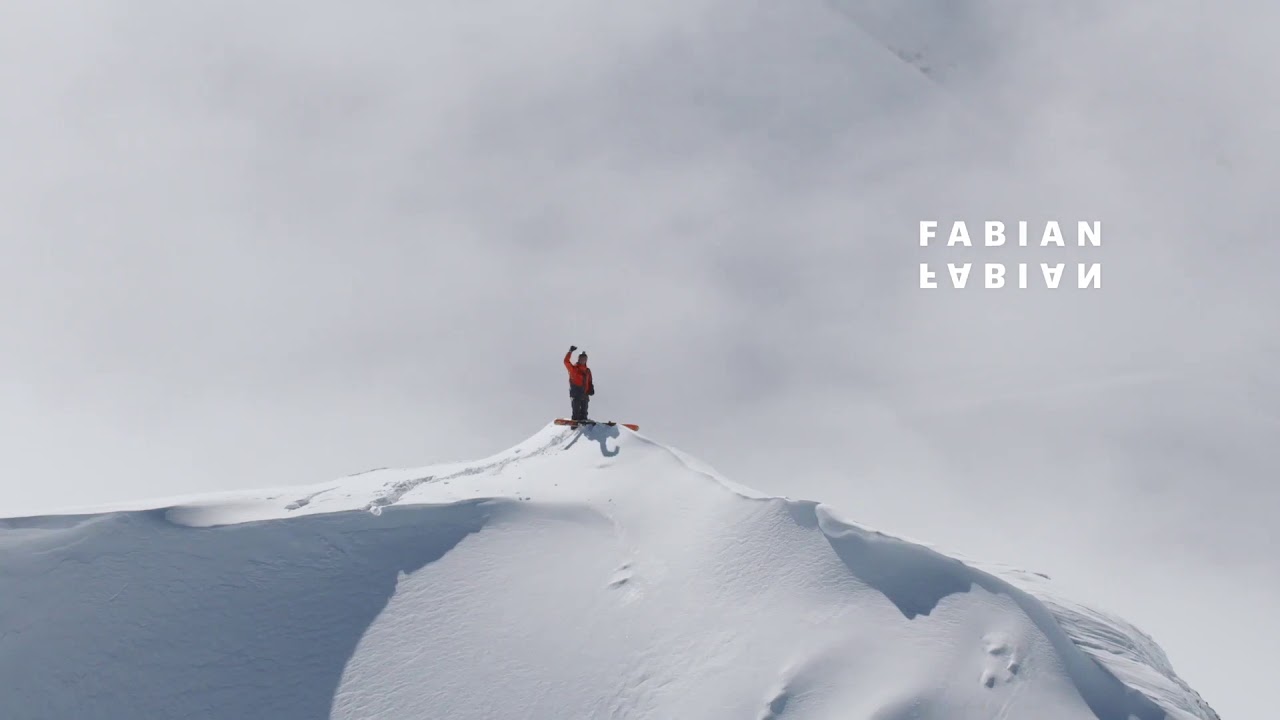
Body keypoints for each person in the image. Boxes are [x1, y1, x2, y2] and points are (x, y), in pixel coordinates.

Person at [563, 345, 594, 421]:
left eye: (585, 358)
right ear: (579, 359)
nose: (583, 360)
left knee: (584, 412)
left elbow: (589, 380)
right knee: (576, 412)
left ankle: (584, 424)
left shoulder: (587, 371)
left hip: (585, 394)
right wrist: (570, 352)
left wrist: (591, 388)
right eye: (581, 358)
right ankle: (574, 425)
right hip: (576, 394)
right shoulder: (574, 369)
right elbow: (566, 362)